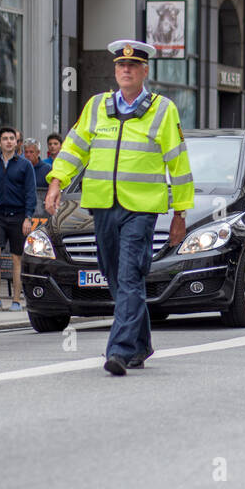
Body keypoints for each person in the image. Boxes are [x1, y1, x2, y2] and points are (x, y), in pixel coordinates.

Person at [45, 39, 193, 376]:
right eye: (120, 66)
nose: (125, 70)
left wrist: (180, 214)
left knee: (129, 275)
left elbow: (178, 163)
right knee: (114, 275)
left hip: (141, 209)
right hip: (102, 205)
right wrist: (56, 181)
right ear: (115, 71)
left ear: (145, 71)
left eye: (132, 66)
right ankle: (140, 343)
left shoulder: (163, 109)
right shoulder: (97, 106)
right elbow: (74, 148)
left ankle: (120, 350)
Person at [0, 126, 37, 311]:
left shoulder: (25, 165)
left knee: (16, 259)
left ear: (16, 142)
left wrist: (28, 217)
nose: (9, 141)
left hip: (19, 216)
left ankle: (16, 300)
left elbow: (31, 193)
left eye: (12, 138)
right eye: (5, 138)